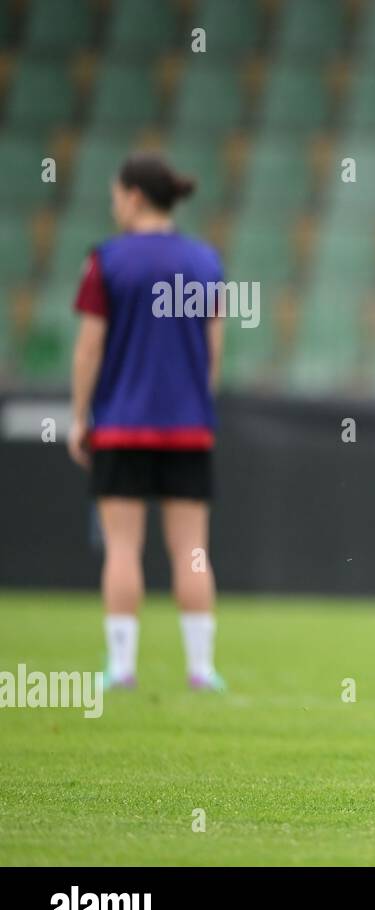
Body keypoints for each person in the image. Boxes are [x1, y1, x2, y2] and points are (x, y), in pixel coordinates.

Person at [67, 153, 226, 691]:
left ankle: (121, 667)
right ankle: (201, 669)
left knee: (121, 547)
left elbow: (90, 347)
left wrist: (78, 416)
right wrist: (197, 406)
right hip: (188, 426)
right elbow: (213, 353)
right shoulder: (206, 262)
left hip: (121, 423)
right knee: (194, 548)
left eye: (115, 193)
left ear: (134, 196)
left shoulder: (107, 261)